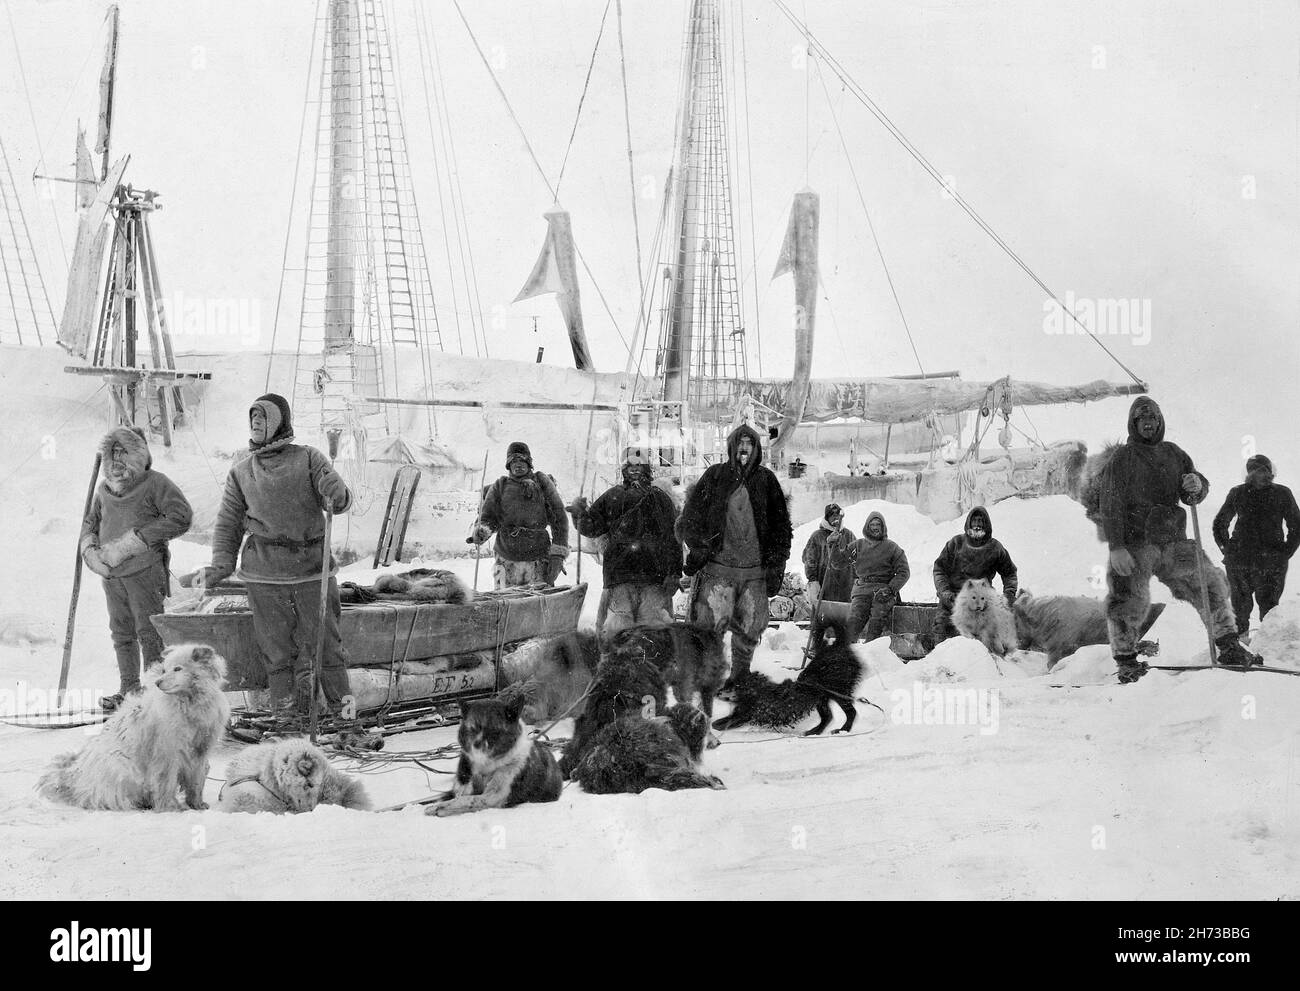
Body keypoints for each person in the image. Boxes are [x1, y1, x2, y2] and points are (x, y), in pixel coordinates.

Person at [204, 394, 353, 725]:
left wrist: (337, 490)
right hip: (265, 576)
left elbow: (339, 502)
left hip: (312, 572)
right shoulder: (241, 472)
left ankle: (348, 720)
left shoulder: (310, 458)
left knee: (328, 651)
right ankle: (286, 721)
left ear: (281, 423)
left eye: (264, 417)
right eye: (252, 417)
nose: (256, 423)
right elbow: (228, 524)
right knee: (277, 656)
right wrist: (220, 564)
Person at [1097, 396, 1257, 682]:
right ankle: (1126, 662)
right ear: (1134, 424)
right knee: (1128, 599)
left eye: (1154, 419)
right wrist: (1116, 547)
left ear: (1160, 421)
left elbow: (1191, 490)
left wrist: (1197, 483)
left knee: (1209, 583)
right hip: (1136, 542)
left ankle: (1229, 645)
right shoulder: (1123, 457)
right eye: (1142, 420)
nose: (1149, 423)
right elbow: (1110, 503)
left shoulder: (1174, 453)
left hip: (1173, 539)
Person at [80, 426, 193, 711]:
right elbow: (90, 523)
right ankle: (129, 690)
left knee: (149, 632)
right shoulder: (104, 490)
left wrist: (139, 539)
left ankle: (155, 692)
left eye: (124, 452)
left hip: (145, 571)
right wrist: (90, 550)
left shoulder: (156, 483)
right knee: (120, 632)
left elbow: (181, 516)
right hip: (111, 574)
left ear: (139, 455)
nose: (117, 459)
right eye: (112, 452)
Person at [678, 423, 792, 689]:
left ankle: (739, 678)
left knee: (750, 629)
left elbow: (781, 526)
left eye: (749, 443)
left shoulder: (766, 480)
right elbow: (691, 517)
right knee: (709, 628)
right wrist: (699, 548)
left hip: (754, 573)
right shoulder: (715, 476)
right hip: (719, 571)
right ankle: (708, 677)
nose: (744, 448)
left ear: (756, 449)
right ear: (731, 447)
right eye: (740, 443)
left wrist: (777, 562)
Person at [570, 447, 681, 633]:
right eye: (630, 465)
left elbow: (673, 538)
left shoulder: (661, 498)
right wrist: (579, 514)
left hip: (654, 576)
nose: (634, 469)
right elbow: (593, 527)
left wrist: (675, 573)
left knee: (653, 631)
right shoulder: (612, 496)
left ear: (646, 468)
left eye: (639, 465)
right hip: (620, 574)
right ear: (624, 469)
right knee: (619, 631)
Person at [1212, 454, 1300, 639]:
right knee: (1240, 608)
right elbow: (1220, 524)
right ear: (1249, 473)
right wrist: (1228, 550)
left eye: (1264, 469)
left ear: (1270, 471)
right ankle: (1241, 646)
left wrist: (1284, 553)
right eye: (1256, 470)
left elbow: (1296, 526)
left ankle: (1268, 647)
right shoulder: (1238, 492)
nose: (1261, 474)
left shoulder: (1282, 493)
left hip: (1271, 561)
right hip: (1240, 561)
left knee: (1269, 608)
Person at [471, 441, 570, 590]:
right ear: (508, 465)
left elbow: (559, 519)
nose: (518, 464)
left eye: (522, 460)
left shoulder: (542, 482)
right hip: (505, 558)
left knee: (540, 605)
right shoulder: (500, 486)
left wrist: (557, 555)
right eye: (513, 461)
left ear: (529, 463)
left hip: (538, 557)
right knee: (505, 603)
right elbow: (488, 517)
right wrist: (482, 531)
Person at [928, 505, 1017, 649]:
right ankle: (941, 666)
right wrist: (945, 593)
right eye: (974, 520)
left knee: (988, 636)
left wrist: (1008, 595)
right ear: (968, 522)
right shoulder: (955, 543)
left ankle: (985, 664)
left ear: (987, 524)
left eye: (981, 521)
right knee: (941, 627)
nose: (977, 525)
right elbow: (939, 570)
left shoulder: (995, 547)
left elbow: (1010, 573)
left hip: (983, 601)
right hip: (954, 598)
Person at [846, 511, 910, 642]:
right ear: (867, 527)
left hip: (883, 590)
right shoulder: (857, 546)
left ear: (883, 527)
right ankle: (846, 653)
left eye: (878, 524)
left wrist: (890, 589)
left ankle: (871, 650)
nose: (875, 527)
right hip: (862, 590)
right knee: (854, 621)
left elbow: (904, 572)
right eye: (872, 524)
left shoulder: (892, 547)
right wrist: (833, 546)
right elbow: (838, 562)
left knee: (877, 619)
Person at [801, 503, 856, 648]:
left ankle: (843, 648)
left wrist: (856, 578)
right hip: (824, 583)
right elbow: (808, 558)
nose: (835, 519)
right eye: (832, 516)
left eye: (838, 515)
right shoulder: (817, 536)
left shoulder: (849, 535)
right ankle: (817, 646)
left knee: (842, 619)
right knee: (820, 618)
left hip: (844, 584)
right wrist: (812, 580)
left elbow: (856, 557)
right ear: (827, 518)